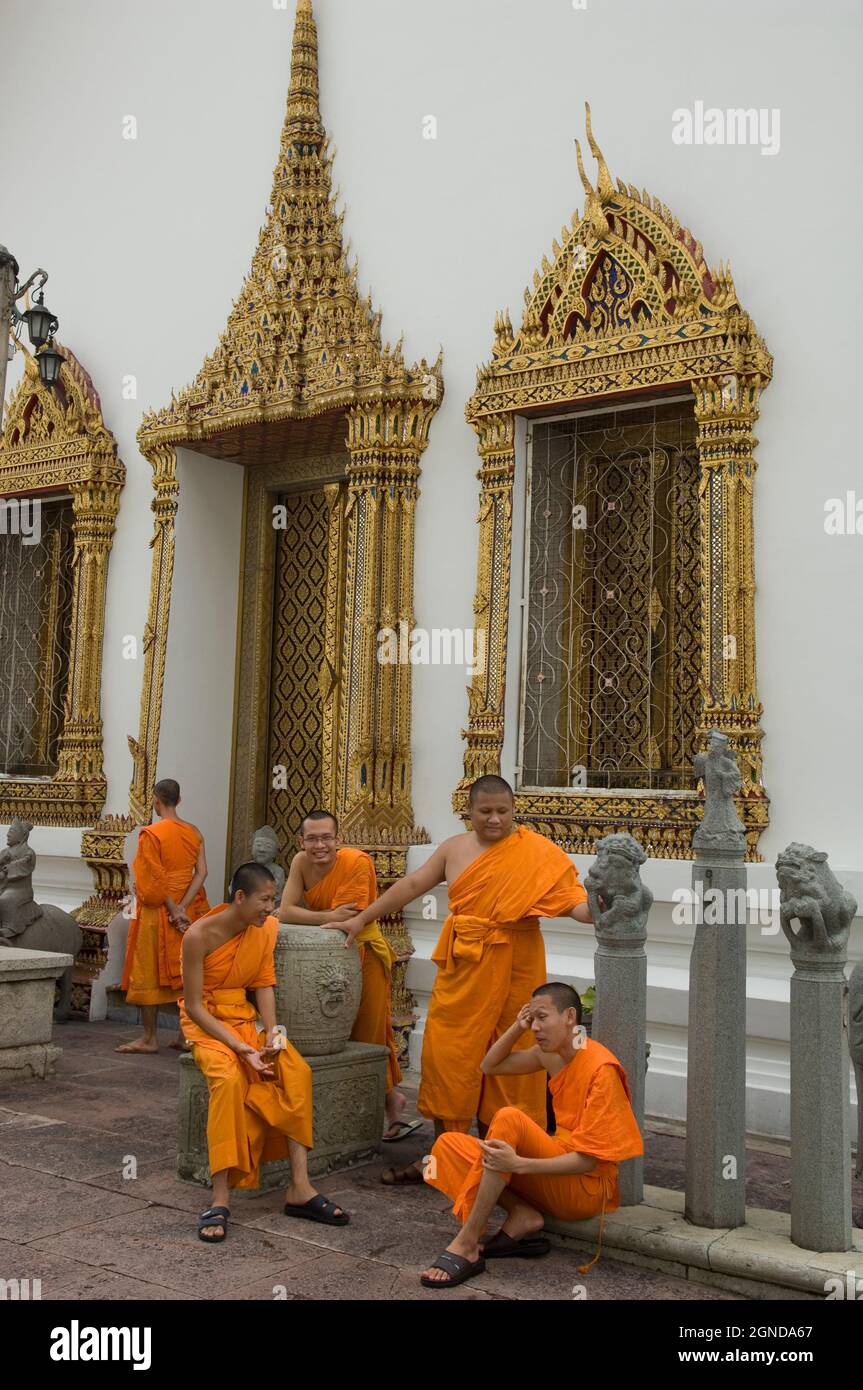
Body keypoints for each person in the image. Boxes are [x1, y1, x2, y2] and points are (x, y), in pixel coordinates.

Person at [324, 775, 591, 1183]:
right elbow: (412, 884)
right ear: (469, 811)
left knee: (514, 1052)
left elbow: (572, 902)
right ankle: (443, 1160)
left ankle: (498, 1157)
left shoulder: (537, 852)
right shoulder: (453, 849)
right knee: (450, 1057)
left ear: (514, 809)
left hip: (517, 963)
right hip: (465, 966)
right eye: (485, 812)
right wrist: (362, 918)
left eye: (503, 811)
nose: (495, 820)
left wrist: (602, 910)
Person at [420, 982, 643, 1288]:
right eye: (531, 1019)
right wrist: (516, 1026)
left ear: (569, 1017)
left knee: (509, 1118)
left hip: (586, 1189)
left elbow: (588, 1161)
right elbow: (490, 1065)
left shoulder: (600, 1068)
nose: (535, 1027)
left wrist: (519, 1164)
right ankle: (521, 1213)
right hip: (555, 1160)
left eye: (541, 1018)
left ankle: (467, 1242)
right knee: (447, 1145)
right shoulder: (548, 1056)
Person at [181, 862, 349, 1242]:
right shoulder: (198, 935)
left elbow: (263, 983)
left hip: (246, 1020)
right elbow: (193, 1006)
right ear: (239, 898)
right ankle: (220, 1198)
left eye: (274, 899)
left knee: (296, 1072)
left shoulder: (265, 929)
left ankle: (300, 1187)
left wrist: (273, 1035)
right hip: (209, 1025)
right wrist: (239, 1048)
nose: (272, 908)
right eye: (266, 899)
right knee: (227, 1081)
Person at [278, 811, 414, 1141]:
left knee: (368, 1034)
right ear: (301, 842)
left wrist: (313, 916)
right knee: (330, 1034)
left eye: (326, 837)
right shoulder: (299, 863)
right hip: (322, 959)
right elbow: (285, 911)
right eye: (311, 838)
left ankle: (387, 1105)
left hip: (360, 955)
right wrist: (323, 914)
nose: (319, 845)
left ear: (338, 840)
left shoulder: (356, 862)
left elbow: (345, 922)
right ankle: (349, 1109)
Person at [117, 778, 209, 1054]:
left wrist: (172, 908)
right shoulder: (194, 832)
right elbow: (202, 873)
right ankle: (185, 1036)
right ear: (178, 800)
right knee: (187, 970)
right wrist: (183, 907)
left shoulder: (151, 833)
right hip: (190, 909)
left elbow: (154, 880)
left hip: (158, 912)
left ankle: (149, 1038)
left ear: (156, 800)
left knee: (149, 971)